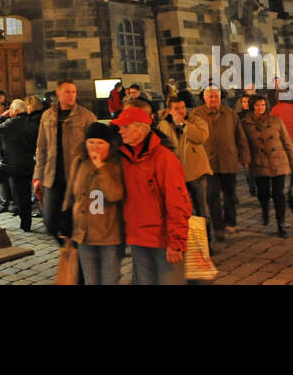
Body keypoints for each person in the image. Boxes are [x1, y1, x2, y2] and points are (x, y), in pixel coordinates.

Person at [113, 102, 190, 284]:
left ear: (141, 130)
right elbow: (100, 193)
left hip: (162, 240)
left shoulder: (163, 159)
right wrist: (96, 212)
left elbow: (177, 202)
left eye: (125, 127)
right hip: (138, 238)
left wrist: (176, 242)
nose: (120, 131)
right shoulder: (122, 158)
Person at [32, 79, 95, 246]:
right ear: (58, 93)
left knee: (74, 219)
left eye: (73, 92)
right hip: (52, 176)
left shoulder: (86, 117)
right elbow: (42, 148)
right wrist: (38, 176)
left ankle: (75, 253)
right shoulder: (48, 116)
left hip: (77, 177)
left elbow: (94, 150)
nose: (71, 95)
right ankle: (68, 246)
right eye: (67, 92)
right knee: (50, 222)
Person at [63, 121, 125, 284]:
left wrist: (101, 168)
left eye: (100, 143)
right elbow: (71, 194)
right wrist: (66, 220)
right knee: (91, 280)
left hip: (109, 237)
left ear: (108, 145)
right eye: (91, 142)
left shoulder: (116, 165)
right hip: (83, 235)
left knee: (109, 280)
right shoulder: (80, 162)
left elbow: (115, 195)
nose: (95, 147)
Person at [191, 86, 248, 239]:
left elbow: (240, 136)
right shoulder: (197, 114)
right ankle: (218, 228)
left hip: (228, 159)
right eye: (210, 97)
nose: (213, 99)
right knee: (212, 195)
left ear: (220, 98)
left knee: (230, 194)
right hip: (208, 162)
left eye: (216, 96)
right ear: (204, 99)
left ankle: (230, 221)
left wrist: (245, 156)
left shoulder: (230, 113)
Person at [239, 95, 293, 237]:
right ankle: (265, 209)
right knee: (263, 193)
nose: (261, 108)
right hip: (259, 162)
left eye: (263, 105)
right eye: (258, 105)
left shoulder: (276, 121)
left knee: (278, 194)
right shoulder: (245, 123)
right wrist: (246, 159)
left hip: (278, 160)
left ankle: (281, 223)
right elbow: (244, 143)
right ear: (252, 106)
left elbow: (287, 142)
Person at [157, 95, 212, 239]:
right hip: (176, 174)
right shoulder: (163, 125)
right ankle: (187, 240)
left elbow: (200, 137)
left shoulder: (195, 120)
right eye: (177, 108)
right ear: (169, 110)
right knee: (182, 210)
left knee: (202, 208)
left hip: (196, 170)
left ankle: (206, 240)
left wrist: (184, 124)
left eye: (183, 107)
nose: (181, 111)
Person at [0, 100, 37, 231]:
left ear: (16, 111)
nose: (10, 112)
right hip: (27, 163)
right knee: (24, 193)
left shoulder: (12, 122)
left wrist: (3, 116)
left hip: (10, 163)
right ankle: (26, 224)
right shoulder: (33, 123)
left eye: (11, 110)